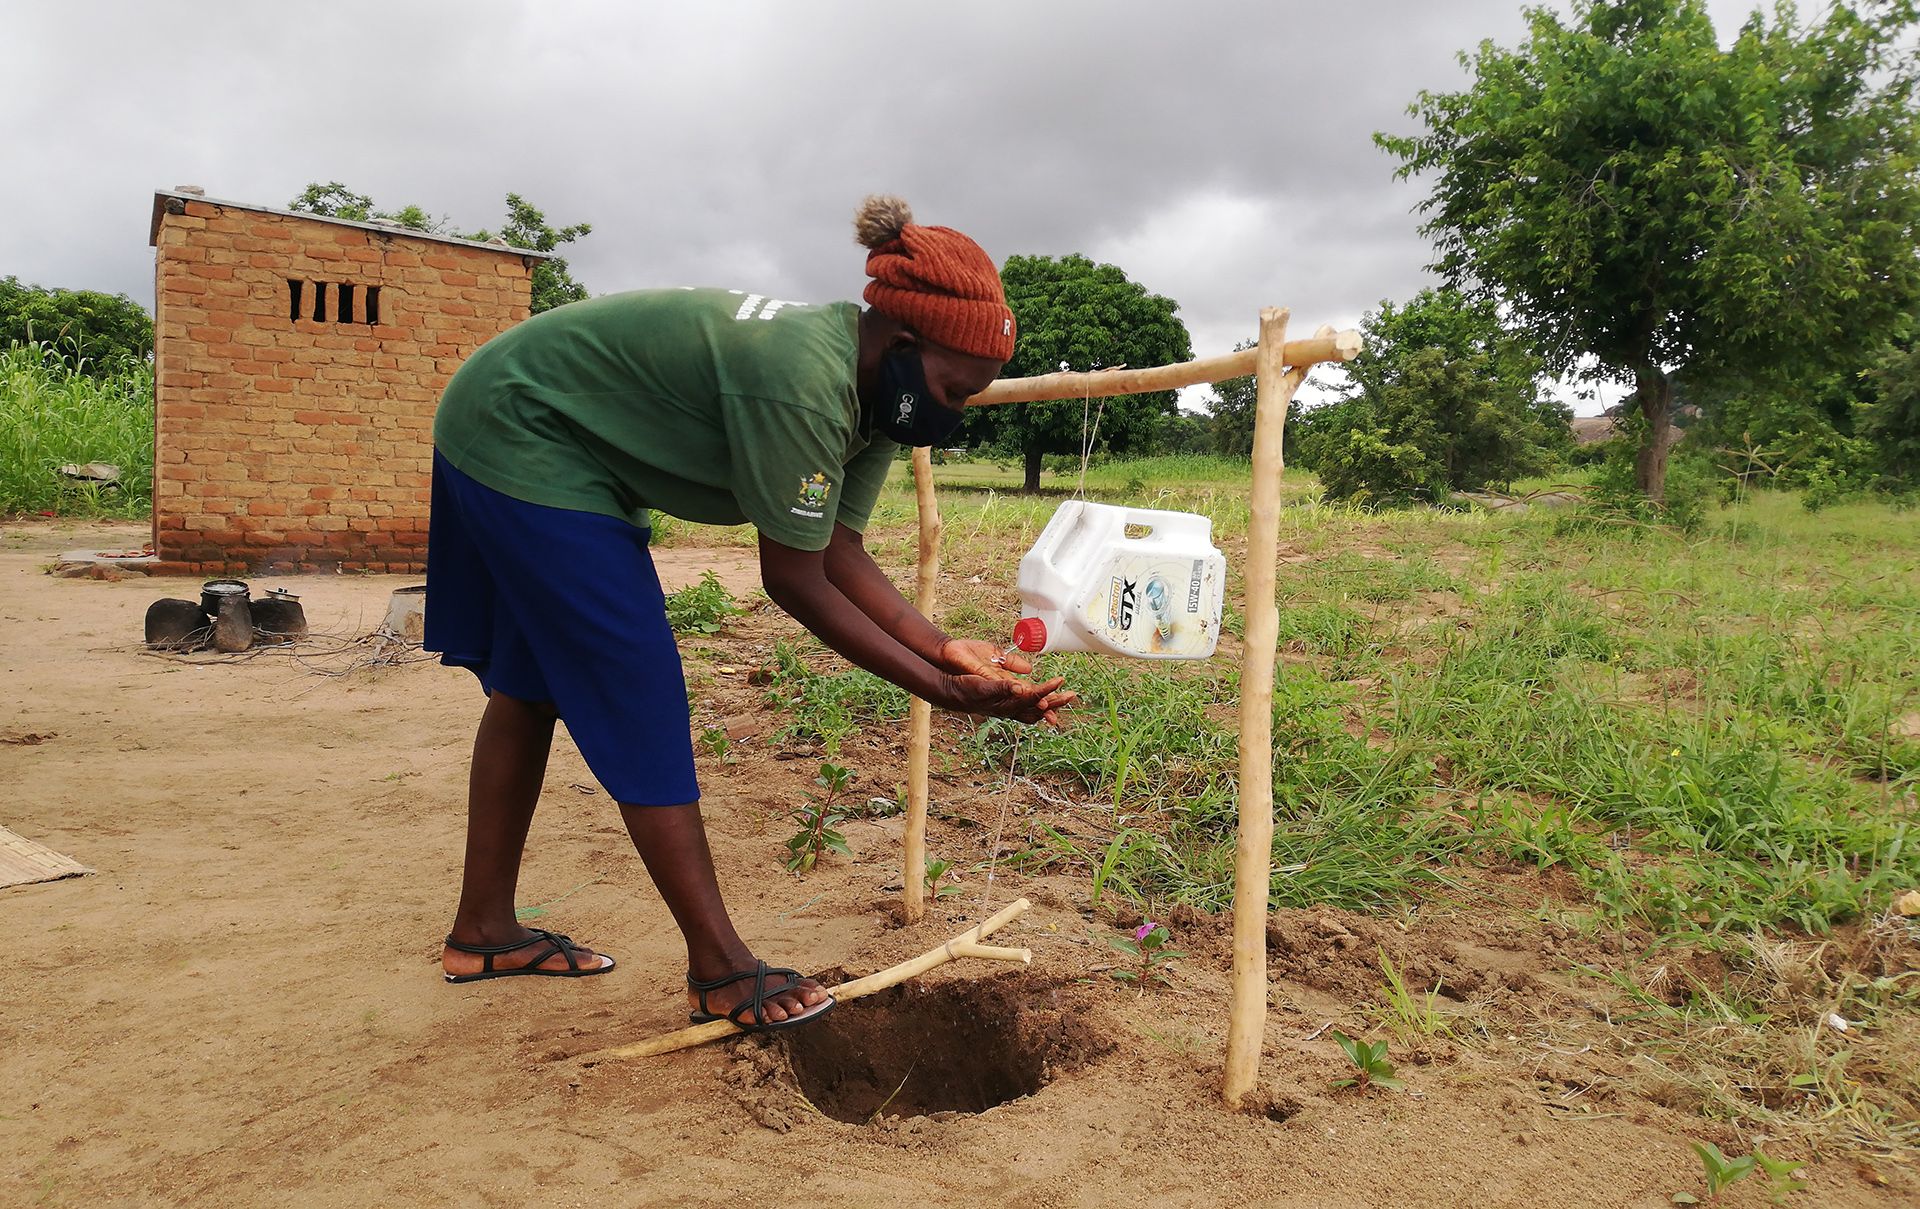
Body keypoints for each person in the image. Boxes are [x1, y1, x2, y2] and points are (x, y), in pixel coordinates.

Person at [423, 195, 1074, 1034]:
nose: (949, 417)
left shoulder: (880, 395)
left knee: (532, 685)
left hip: (554, 435)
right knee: (638, 683)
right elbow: (794, 579)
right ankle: (722, 968)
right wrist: (940, 692)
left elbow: (838, 550)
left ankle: (484, 931)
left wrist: (947, 648)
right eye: (953, 389)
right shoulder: (806, 381)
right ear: (905, 345)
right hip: (520, 426)